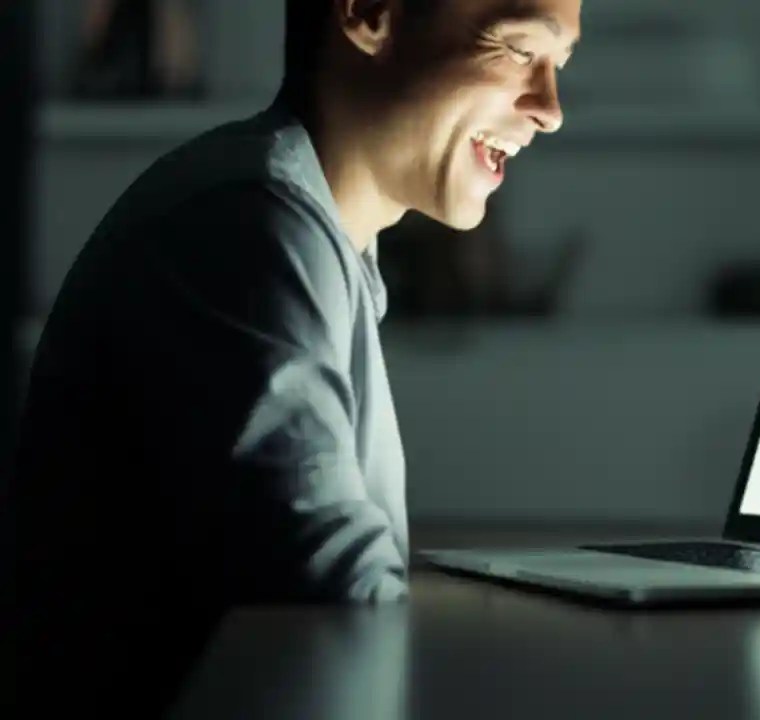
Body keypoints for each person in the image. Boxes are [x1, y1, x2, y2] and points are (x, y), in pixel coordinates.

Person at [10, 0, 579, 715]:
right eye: (520, 49)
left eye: (559, 66)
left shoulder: (311, 230)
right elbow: (331, 610)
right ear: (370, 14)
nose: (551, 110)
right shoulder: (251, 221)